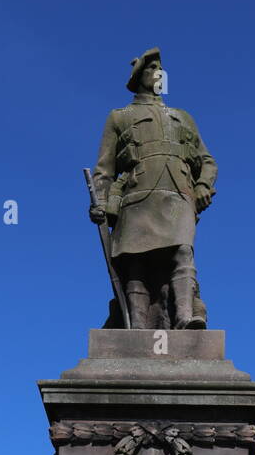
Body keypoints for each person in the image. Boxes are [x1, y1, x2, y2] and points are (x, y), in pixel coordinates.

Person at [90, 48, 217, 329]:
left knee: (182, 251)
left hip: (178, 195)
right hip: (136, 196)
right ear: (138, 77)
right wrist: (100, 202)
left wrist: (203, 186)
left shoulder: (182, 117)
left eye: (160, 69)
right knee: (136, 262)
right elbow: (104, 169)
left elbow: (207, 161)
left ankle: (186, 317)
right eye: (152, 69)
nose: (158, 74)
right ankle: (137, 327)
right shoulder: (119, 117)